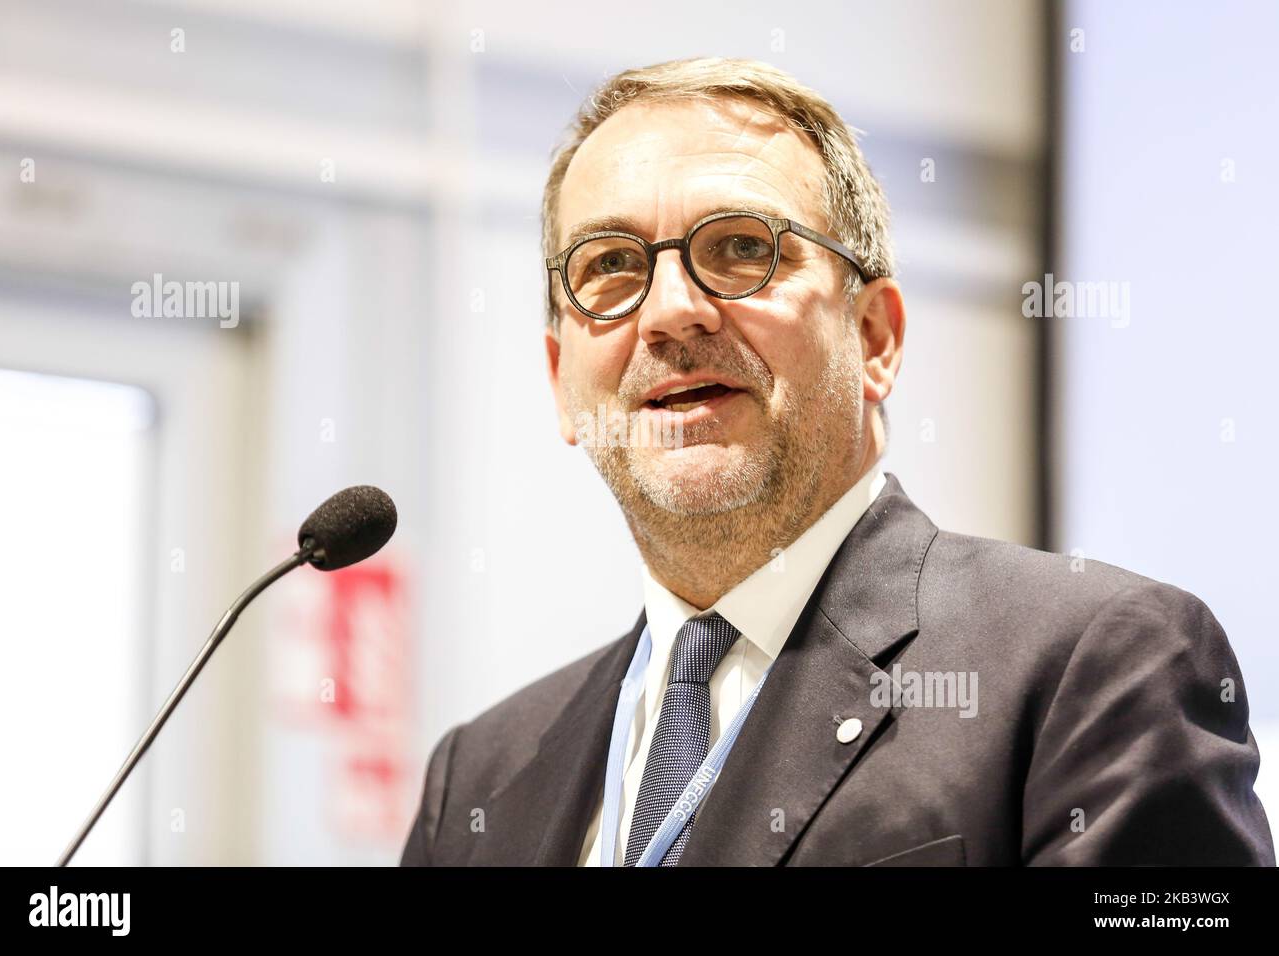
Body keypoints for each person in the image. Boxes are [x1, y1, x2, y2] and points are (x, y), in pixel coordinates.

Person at [400, 57, 1273, 866]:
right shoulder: (476, 779)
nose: (669, 311)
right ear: (561, 383)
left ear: (875, 336)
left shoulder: (1094, 668)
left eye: (742, 248)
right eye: (612, 266)